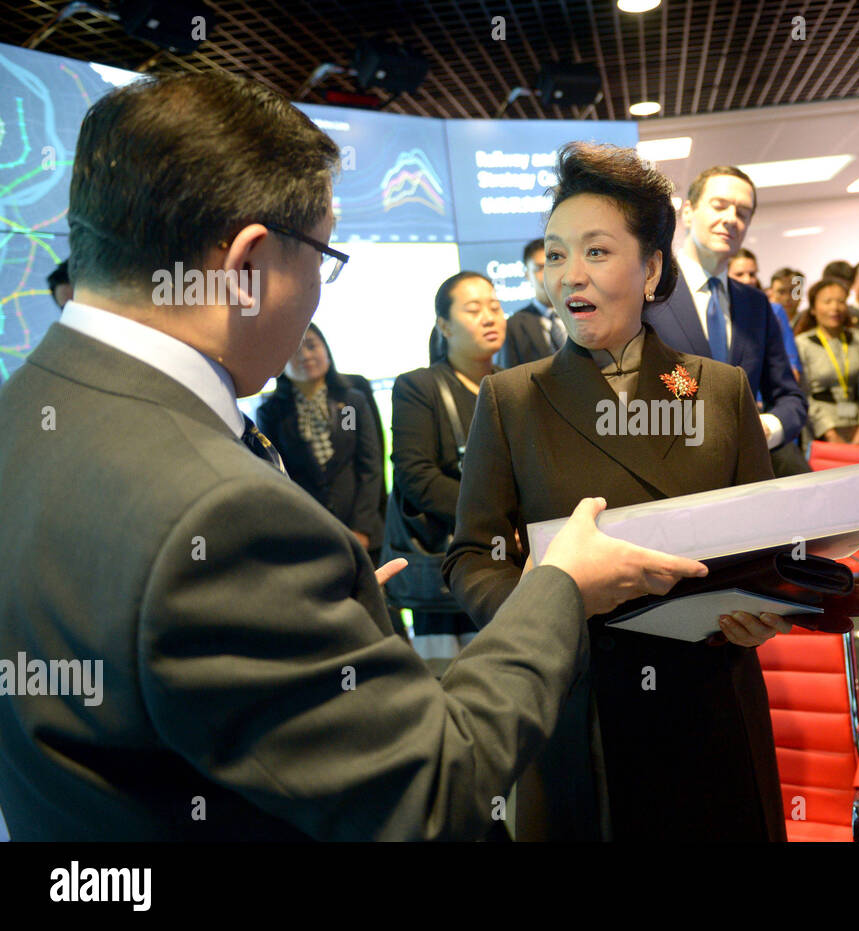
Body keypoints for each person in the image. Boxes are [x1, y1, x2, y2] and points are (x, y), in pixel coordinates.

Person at [0, 71, 708, 841]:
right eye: (321, 256)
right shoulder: (219, 515)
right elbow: (434, 786)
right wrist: (561, 586)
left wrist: (295, 620)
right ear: (245, 268)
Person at [443, 141, 791, 842]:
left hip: (710, 700)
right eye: (555, 253)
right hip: (578, 707)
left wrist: (769, 605)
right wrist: (550, 602)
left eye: (597, 252)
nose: (571, 274)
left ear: (652, 266)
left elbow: (766, 545)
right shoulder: (512, 398)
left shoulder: (719, 390)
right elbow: (470, 558)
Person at [646, 165, 810, 476]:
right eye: (719, 206)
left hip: (750, 474)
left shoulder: (756, 304)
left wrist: (767, 428)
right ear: (689, 212)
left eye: (743, 213)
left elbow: (790, 397)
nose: (731, 219)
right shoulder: (648, 293)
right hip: (673, 476)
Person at [389, 271, 504, 663]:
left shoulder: (514, 386)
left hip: (509, 567)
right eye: (474, 309)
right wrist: (491, 519)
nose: (489, 317)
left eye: (495, 306)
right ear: (444, 325)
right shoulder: (418, 387)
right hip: (446, 570)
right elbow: (415, 476)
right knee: (451, 689)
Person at [256, 322, 384, 563]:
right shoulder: (272, 413)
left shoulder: (350, 402)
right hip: (309, 534)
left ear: (326, 349)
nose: (305, 355)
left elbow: (369, 466)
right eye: (294, 350)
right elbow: (277, 478)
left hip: (361, 529)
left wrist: (362, 527)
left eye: (312, 346)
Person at [794, 277, 859, 443]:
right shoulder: (802, 344)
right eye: (827, 302)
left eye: (841, 301)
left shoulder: (858, 338)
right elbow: (803, 394)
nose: (835, 308)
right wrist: (829, 432)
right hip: (820, 430)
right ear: (813, 308)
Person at [732, 249, 801, 381]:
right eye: (739, 274)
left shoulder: (773, 311)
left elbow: (791, 371)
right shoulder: (716, 311)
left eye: (752, 274)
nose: (747, 280)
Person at [502, 237, 567, 367]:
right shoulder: (514, 326)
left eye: (554, 263)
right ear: (527, 275)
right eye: (539, 268)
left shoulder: (581, 312)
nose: (547, 274)